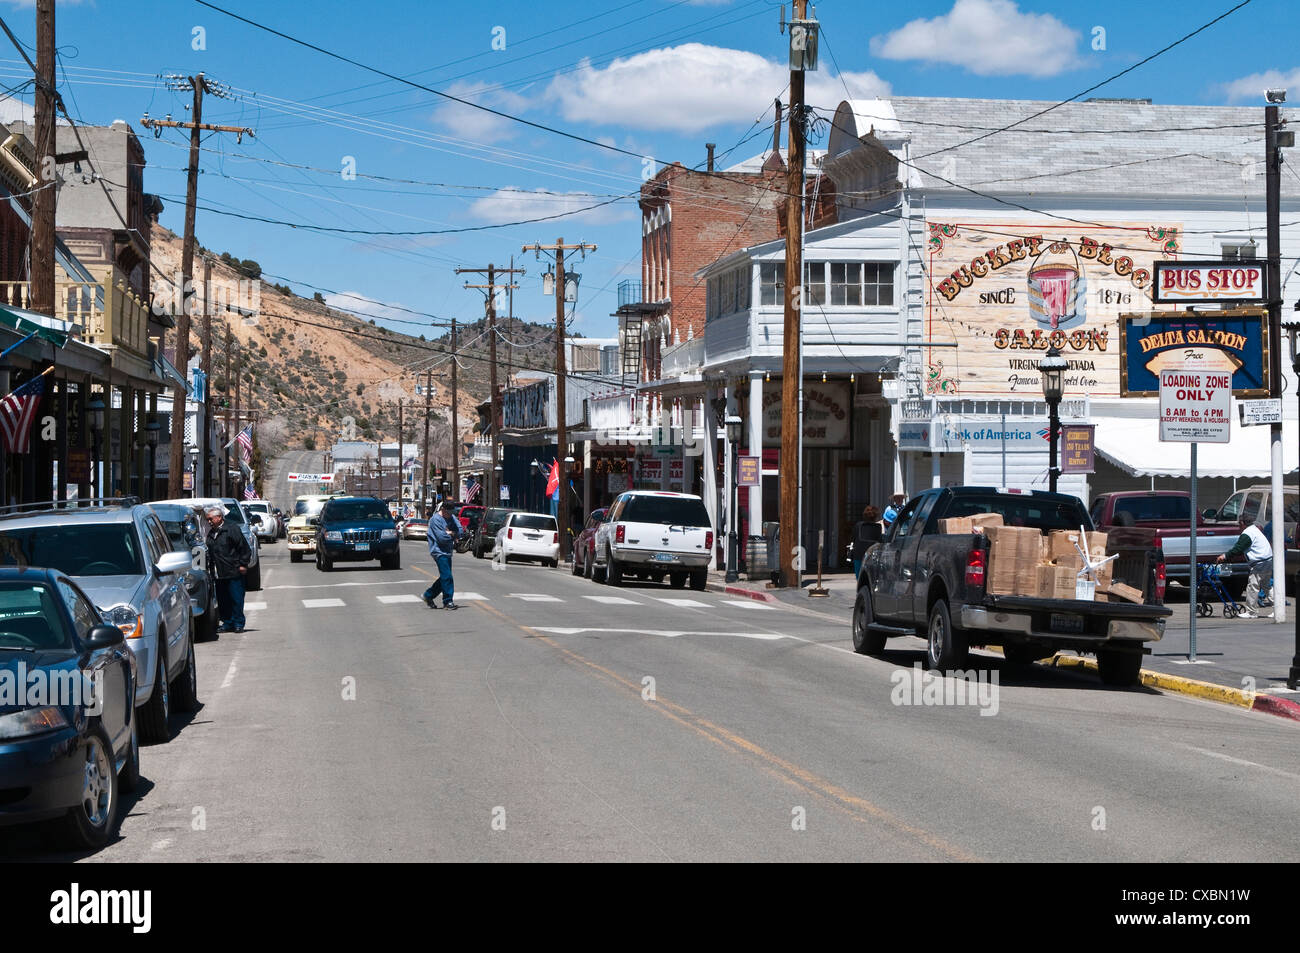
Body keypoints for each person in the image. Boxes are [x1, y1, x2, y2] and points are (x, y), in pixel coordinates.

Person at [205, 503, 251, 633]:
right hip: (218, 572)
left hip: (233, 571)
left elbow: (244, 548)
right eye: (207, 519)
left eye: (210, 519)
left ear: (219, 517)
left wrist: (242, 565)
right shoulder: (211, 533)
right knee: (223, 599)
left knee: (236, 599)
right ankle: (227, 622)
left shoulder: (232, 528)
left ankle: (238, 623)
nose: (209, 521)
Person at [1217, 516, 1272, 618]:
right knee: (1266, 586)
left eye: (1239, 524)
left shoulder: (1247, 533)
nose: (1238, 526)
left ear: (1242, 523)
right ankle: (1278, 608)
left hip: (1259, 562)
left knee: (1252, 587)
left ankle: (1251, 612)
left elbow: (1238, 548)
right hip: (1267, 560)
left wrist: (1224, 556)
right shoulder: (1254, 529)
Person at [423, 499, 461, 610]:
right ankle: (448, 601)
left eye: (452, 512)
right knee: (447, 576)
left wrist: (451, 532)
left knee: (445, 577)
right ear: (443, 509)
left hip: (448, 551)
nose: (450, 515)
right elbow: (441, 538)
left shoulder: (452, 518)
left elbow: (460, 530)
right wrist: (452, 534)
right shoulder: (436, 520)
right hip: (438, 551)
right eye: (448, 512)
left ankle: (428, 595)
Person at [850, 505, 883, 578]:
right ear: (875, 516)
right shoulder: (878, 527)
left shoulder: (858, 525)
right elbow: (880, 541)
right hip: (872, 554)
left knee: (859, 577)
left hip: (859, 554)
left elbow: (853, 538)